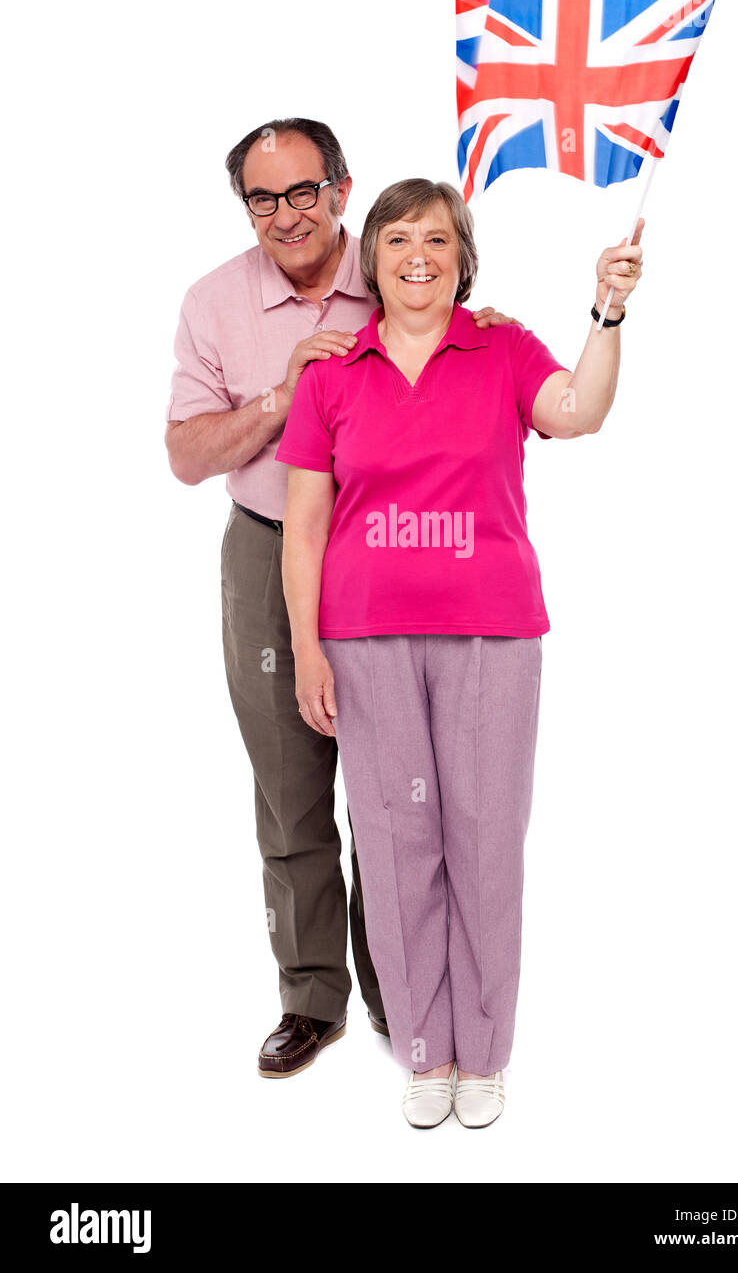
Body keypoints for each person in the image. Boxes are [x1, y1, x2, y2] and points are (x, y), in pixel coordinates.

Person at [276, 177, 643, 1124]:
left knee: (483, 842)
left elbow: (578, 411)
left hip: (491, 632)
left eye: (436, 240)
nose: (416, 257)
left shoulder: (504, 348)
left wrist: (605, 311)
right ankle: (424, 1052)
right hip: (365, 639)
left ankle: (484, 1052)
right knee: (398, 850)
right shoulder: (330, 374)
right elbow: (304, 528)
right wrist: (308, 650)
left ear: (460, 256)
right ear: (376, 261)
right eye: (398, 240)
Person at [164, 120, 518, 1079]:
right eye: (263, 198)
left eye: (305, 191)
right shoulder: (216, 301)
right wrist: (282, 396)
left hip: (391, 573)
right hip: (270, 549)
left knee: (402, 800)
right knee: (290, 792)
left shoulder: (401, 264)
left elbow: (486, 362)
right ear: (246, 207)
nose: (288, 214)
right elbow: (186, 456)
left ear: (343, 188)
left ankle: (396, 993)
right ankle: (312, 995)